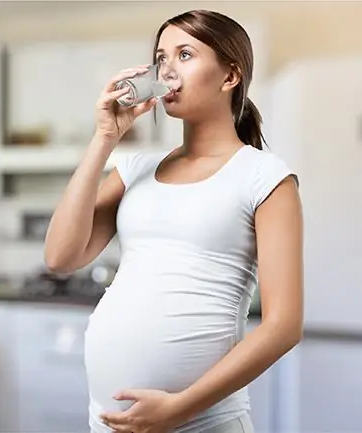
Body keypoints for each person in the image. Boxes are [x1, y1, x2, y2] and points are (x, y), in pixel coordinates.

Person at [44, 9, 304, 433]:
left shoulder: (266, 177)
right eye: (161, 58)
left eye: (185, 54)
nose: (167, 70)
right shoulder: (134, 168)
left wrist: (180, 407)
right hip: (107, 422)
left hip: (202, 422)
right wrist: (104, 138)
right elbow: (59, 256)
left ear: (230, 76)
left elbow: (283, 326)